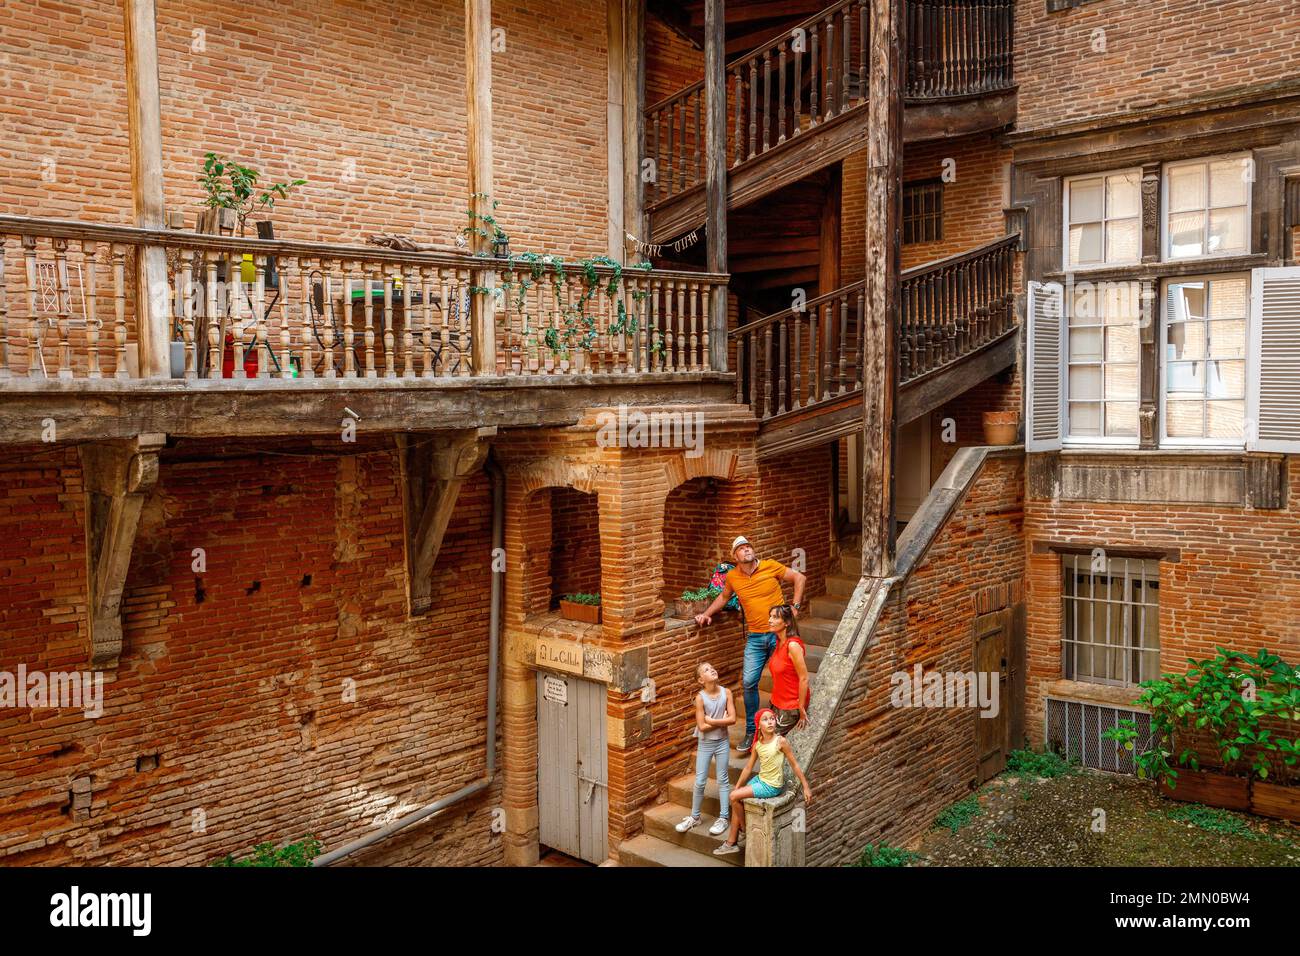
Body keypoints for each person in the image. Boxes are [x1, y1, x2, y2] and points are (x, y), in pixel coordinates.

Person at [695, 536, 805, 754]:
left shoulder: (770, 566)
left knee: (785, 676)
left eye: (748, 547)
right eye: (741, 549)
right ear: (735, 556)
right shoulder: (733, 576)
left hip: (778, 634)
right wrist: (706, 614)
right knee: (748, 682)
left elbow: (799, 578)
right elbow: (724, 597)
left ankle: (784, 719)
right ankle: (752, 731)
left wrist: (796, 607)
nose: (746, 550)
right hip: (755, 638)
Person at [713, 707, 813, 856]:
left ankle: (745, 829)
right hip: (760, 779)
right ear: (759, 725)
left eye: (772, 718)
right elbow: (748, 767)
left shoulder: (781, 742)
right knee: (736, 797)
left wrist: (805, 786)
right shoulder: (758, 745)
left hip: (771, 786)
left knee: (734, 797)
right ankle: (731, 842)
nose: (770, 721)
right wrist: (738, 786)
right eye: (765, 720)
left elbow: (794, 764)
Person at [675, 661, 736, 837]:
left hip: (722, 741)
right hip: (706, 744)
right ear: (701, 680)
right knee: (700, 780)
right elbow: (701, 726)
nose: (712, 670)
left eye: (712, 667)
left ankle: (723, 818)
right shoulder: (700, 698)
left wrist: (713, 721)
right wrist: (720, 721)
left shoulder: (727, 693)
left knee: (723, 780)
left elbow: (732, 719)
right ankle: (695, 817)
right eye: (707, 670)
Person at [766, 604, 810, 739]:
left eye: (775, 617)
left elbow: (804, 678)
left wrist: (801, 708)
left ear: (787, 623)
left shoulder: (793, 645)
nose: (769, 620)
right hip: (777, 701)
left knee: (770, 741)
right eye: (770, 616)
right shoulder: (779, 642)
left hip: (791, 705)